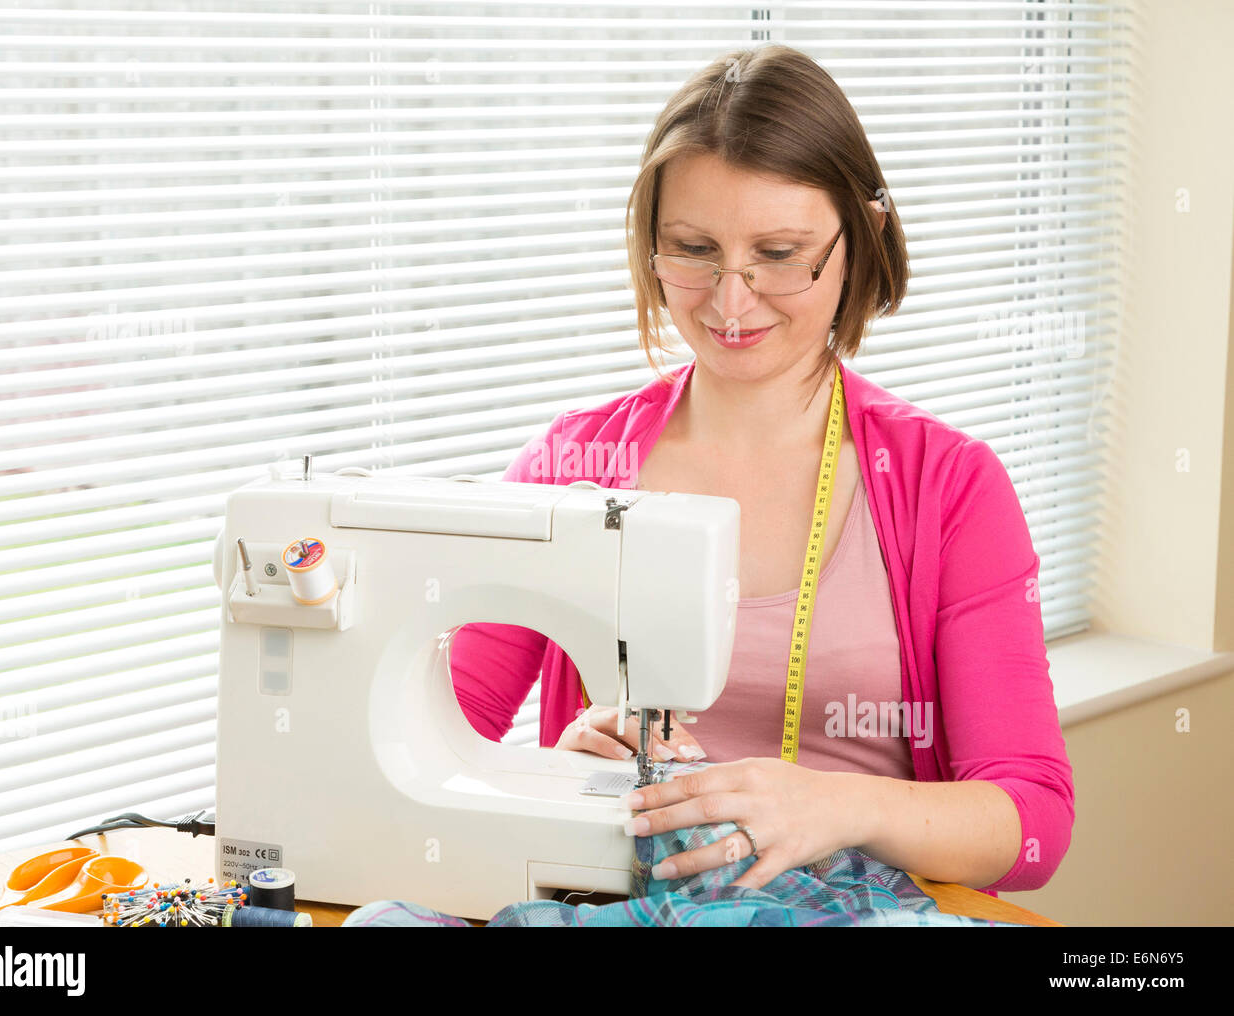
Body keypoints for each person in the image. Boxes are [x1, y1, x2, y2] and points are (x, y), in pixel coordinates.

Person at [449, 44, 1074, 897]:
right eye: (693, 249)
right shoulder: (570, 468)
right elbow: (434, 751)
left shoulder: (950, 487)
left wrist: (837, 805)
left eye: (780, 253)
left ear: (862, 238)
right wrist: (548, 786)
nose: (731, 301)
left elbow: (1034, 824)